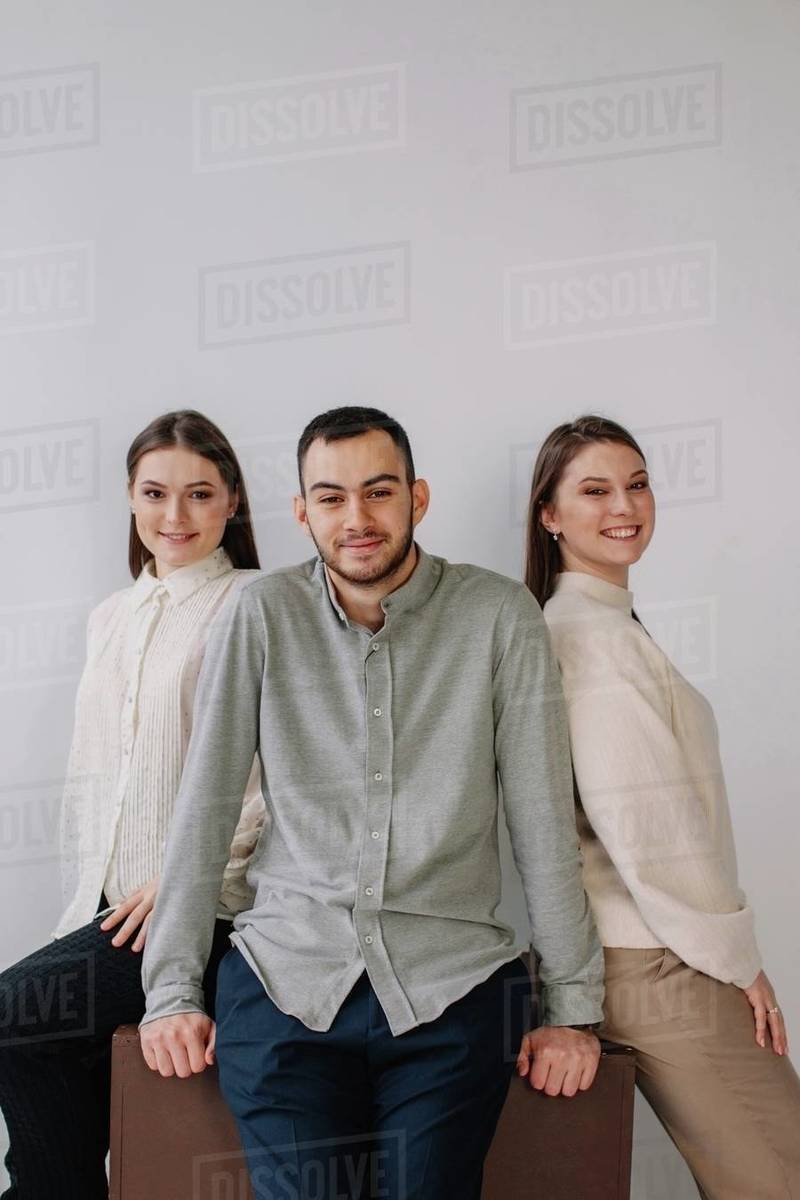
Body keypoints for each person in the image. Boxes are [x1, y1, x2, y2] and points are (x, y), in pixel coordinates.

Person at [139, 405, 605, 1200]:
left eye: (379, 492)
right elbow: (205, 810)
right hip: (285, 981)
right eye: (330, 497)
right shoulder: (260, 615)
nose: (356, 519)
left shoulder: (499, 617)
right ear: (301, 512)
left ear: (418, 499)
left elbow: (541, 824)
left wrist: (572, 1008)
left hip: (453, 986)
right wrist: (171, 993)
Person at [527, 413, 800, 1199]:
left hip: (660, 954)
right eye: (594, 489)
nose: (625, 505)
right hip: (660, 960)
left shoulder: (605, 625)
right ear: (550, 515)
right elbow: (649, 831)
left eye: (638, 483)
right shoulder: (589, 638)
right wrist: (738, 958)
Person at [0, 409, 265, 1200]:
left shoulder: (255, 603)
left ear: (232, 502)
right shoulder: (110, 617)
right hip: (111, 915)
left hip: (208, 917)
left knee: (14, 1015)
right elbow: (95, 786)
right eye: (154, 493)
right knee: (49, 1051)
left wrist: (188, 880)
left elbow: (285, 779)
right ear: (129, 496)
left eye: (198, 494)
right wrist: (78, 915)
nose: (174, 516)